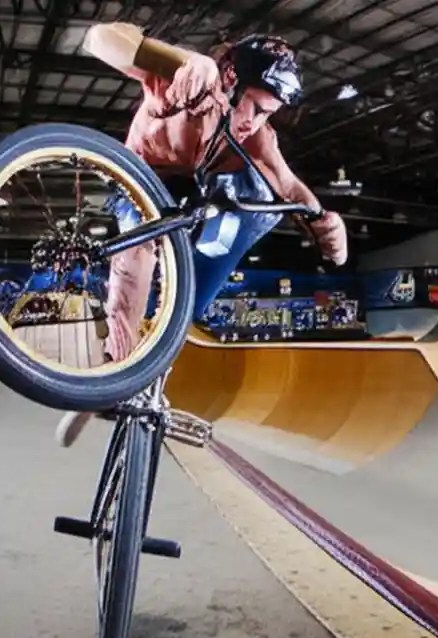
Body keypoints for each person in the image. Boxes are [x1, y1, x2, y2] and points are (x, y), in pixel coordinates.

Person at [54, 25, 348, 446]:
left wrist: (325, 222)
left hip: (191, 197)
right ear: (231, 80)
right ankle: (115, 366)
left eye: (267, 114)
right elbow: (100, 39)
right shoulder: (185, 78)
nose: (253, 123)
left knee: (260, 201)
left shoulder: (257, 136)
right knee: (139, 244)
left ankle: (176, 322)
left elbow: (288, 186)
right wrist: (185, 60)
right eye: (253, 107)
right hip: (140, 179)